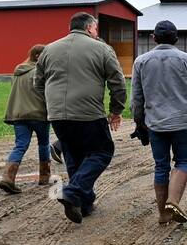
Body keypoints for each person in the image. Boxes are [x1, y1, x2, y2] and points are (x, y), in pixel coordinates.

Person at [34, 12, 126, 223]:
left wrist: (51, 105)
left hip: (57, 115)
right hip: (88, 113)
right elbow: (117, 82)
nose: (96, 33)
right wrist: (116, 110)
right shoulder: (102, 49)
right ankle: (73, 192)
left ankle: (84, 204)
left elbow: (37, 84)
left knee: (74, 155)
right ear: (89, 28)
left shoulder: (49, 49)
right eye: (96, 29)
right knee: (102, 152)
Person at [132, 20, 187, 225]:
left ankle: (163, 214)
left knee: (160, 165)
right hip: (181, 121)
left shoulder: (141, 61)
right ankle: (174, 200)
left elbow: (137, 98)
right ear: (176, 39)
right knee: (182, 161)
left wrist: (139, 122)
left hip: (154, 123)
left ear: (153, 38)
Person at [0, 43, 53, 194]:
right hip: (39, 114)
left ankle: (8, 178)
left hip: (19, 115)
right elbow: (46, 93)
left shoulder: (18, 71)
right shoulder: (40, 71)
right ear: (38, 56)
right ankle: (44, 177)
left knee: (20, 145)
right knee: (44, 144)